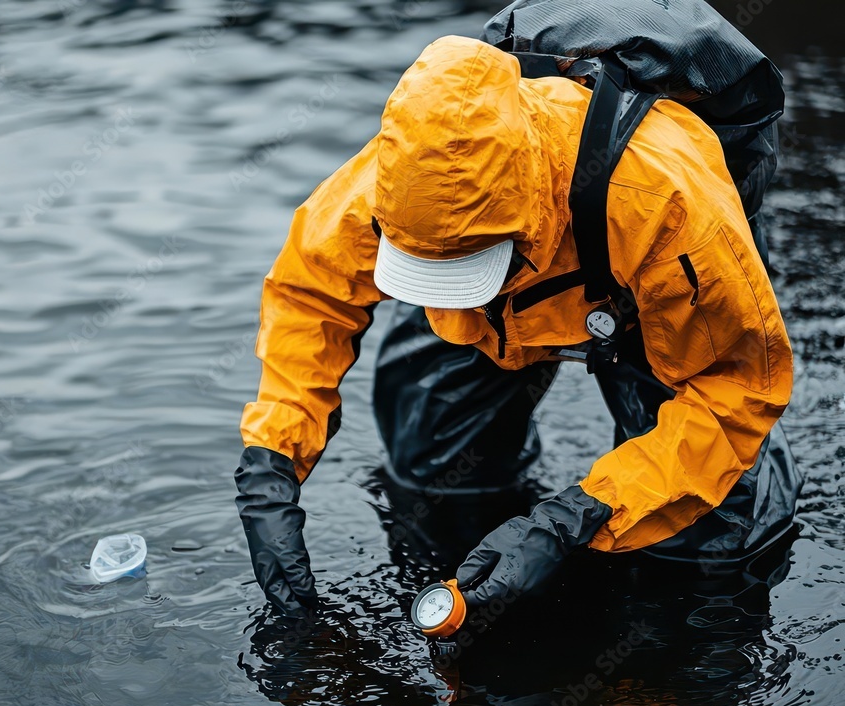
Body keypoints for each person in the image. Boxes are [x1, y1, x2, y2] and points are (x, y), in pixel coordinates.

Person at [233, 33, 801, 616]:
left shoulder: (665, 202)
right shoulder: (395, 179)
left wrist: (570, 519)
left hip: (640, 287)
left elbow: (729, 391)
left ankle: (763, 474)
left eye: (463, 266)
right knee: (433, 477)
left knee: (703, 544)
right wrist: (272, 460)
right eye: (427, 269)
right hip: (492, 311)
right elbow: (311, 295)